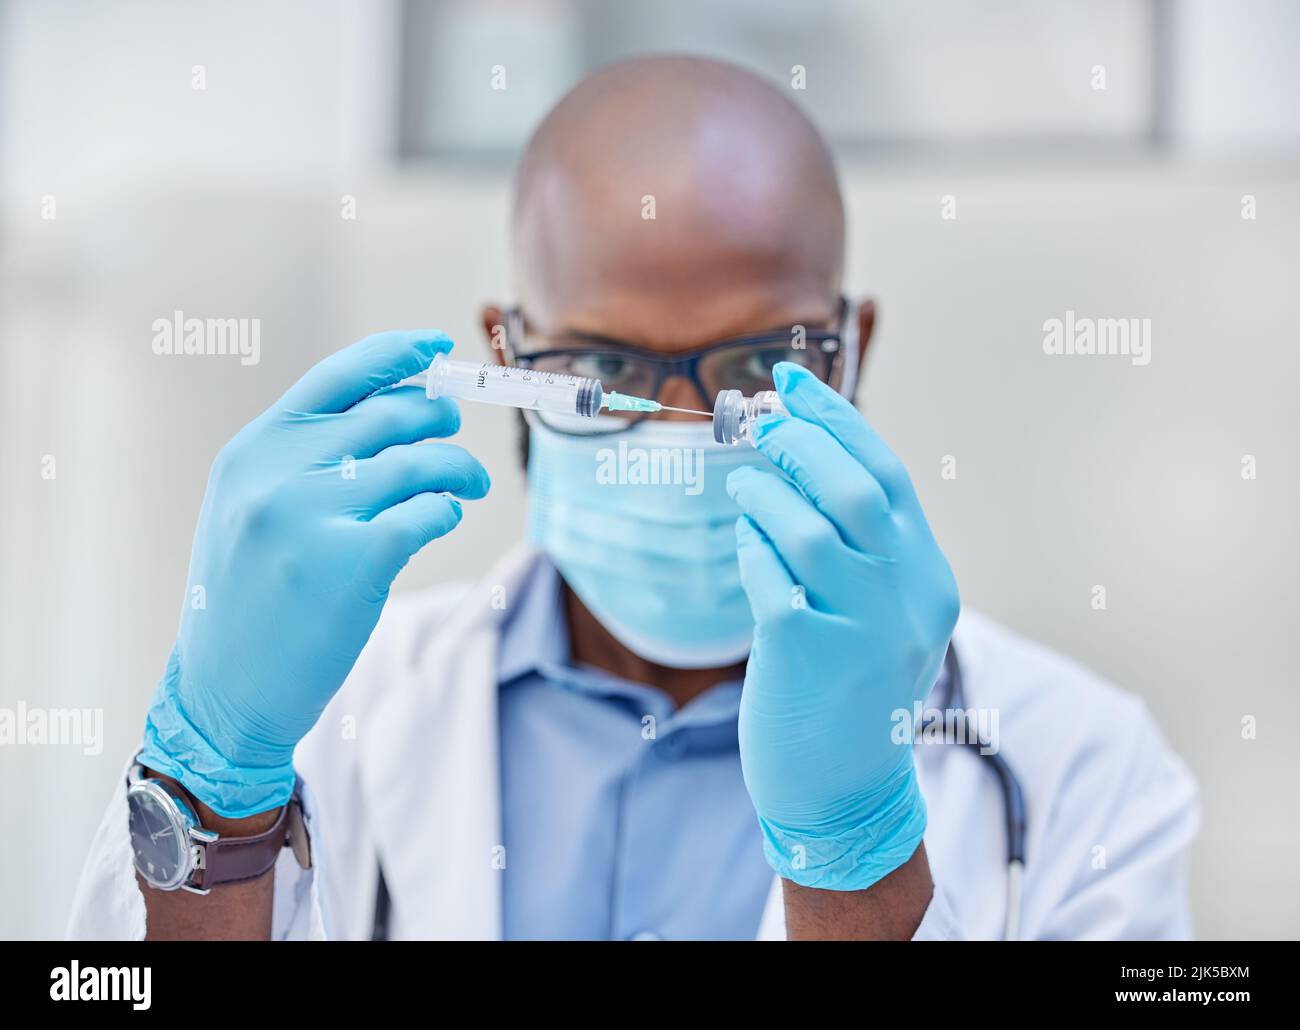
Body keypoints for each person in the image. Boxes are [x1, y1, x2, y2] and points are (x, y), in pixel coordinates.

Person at [68, 56, 1198, 941]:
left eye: (752, 367)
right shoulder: (331, 719)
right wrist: (212, 788)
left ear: (850, 348)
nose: (675, 430)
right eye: (601, 372)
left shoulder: (1081, 764)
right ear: (506, 353)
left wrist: (860, 860)